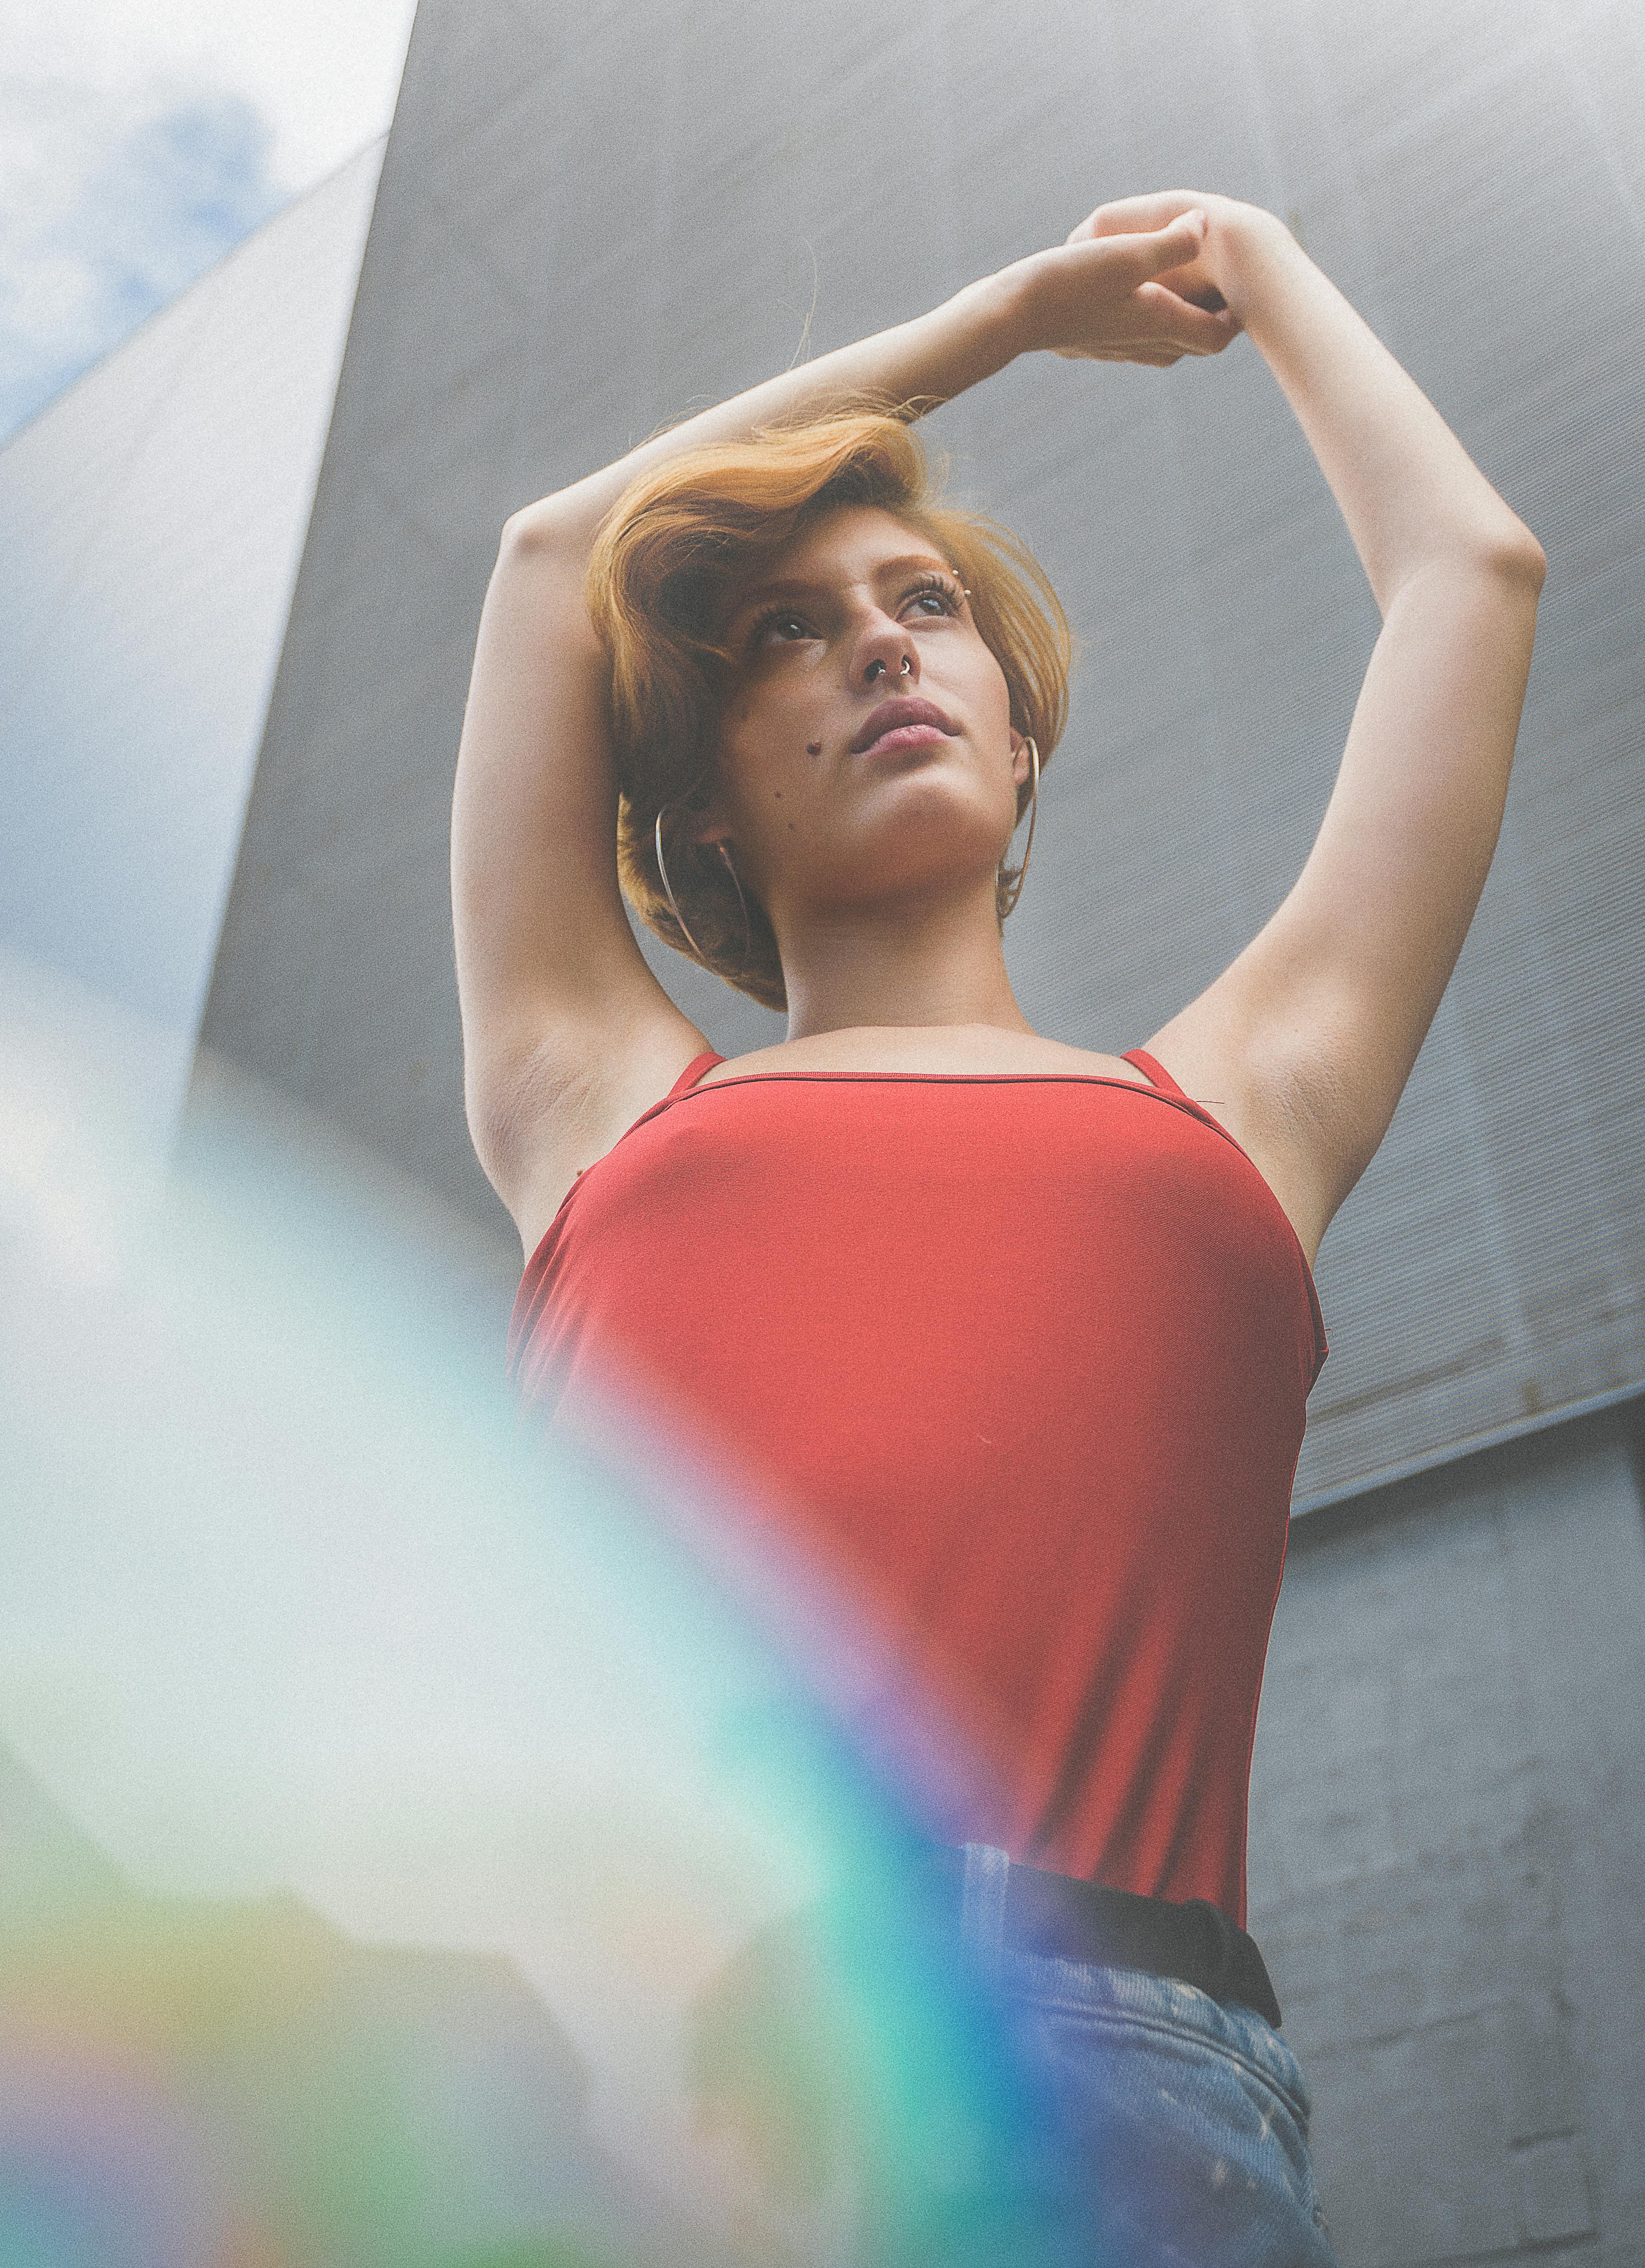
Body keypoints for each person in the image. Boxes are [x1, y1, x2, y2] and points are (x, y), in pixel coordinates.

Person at [450, 191, 1544, 2260]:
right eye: (789, 628)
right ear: (700, 813)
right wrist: (1005, 317)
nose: (876, 638)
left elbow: (1473, 576)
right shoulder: (591, 1093)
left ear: (1018, 734)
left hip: (1121, 2080)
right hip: (651, 2068)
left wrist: (1268, 254)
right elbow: (543, 570)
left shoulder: (1248, 1101)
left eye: (925, 599)